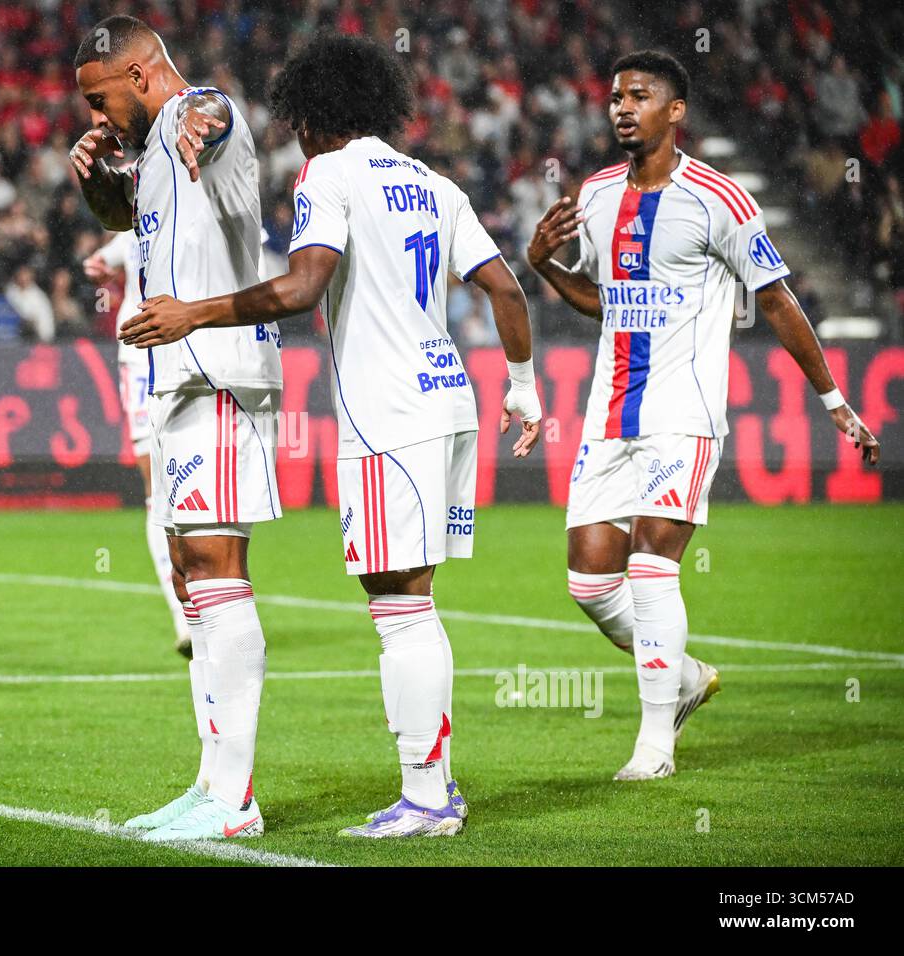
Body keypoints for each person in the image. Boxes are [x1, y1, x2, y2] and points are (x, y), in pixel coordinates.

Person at [123, 33, 543, 838]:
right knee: (408, 600)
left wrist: (192, 311)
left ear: (312, 115)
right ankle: (429, 790)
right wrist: (522, 391)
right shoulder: (434, 182)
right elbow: (504, 287)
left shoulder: (330, 173)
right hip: (449, 401)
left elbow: (303, 283)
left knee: (401, 606)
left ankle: (427, 799)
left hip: (389, 414)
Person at [526, 50, 880, 780]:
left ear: (675, 110)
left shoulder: (720, 198)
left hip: (683, 413)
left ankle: (655, 744)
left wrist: (835, 400)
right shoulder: (593, 196)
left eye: (640, 95)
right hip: (609, 415)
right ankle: (684, 676)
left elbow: (777, 300)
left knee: (652, 568)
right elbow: (607, 302)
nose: (622, 107)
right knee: (591, 584)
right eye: (616, 96)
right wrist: (546, 268)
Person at [71, 14, 281, 841]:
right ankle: (210, 783)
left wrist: (203, 117)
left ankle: (234, 799)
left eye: (100, 99)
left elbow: (217, 114)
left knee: (217, 570)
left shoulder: (195, 114)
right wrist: (92, 177)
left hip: (221, 374)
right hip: (182, 381)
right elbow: (121, 220)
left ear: (141, 73)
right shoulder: (151, 151)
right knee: (195, 573)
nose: (95, 116)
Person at [83, 227, 191, 655]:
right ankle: (182, 612)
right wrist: (97, 267)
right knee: (157, 488)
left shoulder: (203, 192)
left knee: (193, 481)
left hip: (191, 349)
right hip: (141, 357)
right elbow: (102, 259)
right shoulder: (136, 208)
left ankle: (217, 600)